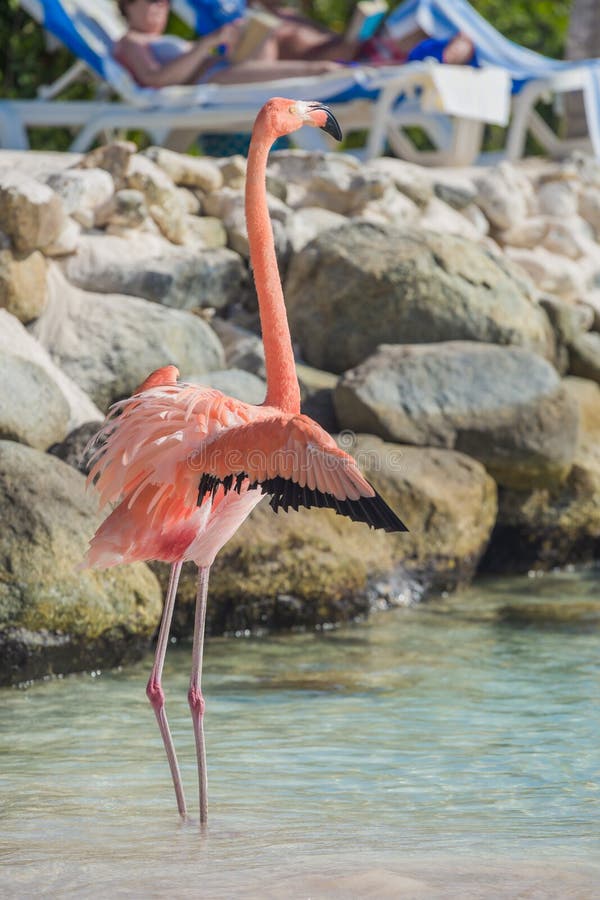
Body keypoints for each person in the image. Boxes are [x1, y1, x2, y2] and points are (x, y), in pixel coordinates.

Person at [113, 0, 342, 88]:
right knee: (319, 70)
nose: (161, 7)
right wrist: (207, 44)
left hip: (225, 68)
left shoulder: (161, 40)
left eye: (165, 2)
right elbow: (155, 78)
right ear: (128, 6)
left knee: (268, 27)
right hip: (214, 78)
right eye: (152, 1)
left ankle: (356, 59)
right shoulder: (132, 41)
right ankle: (355, 74)